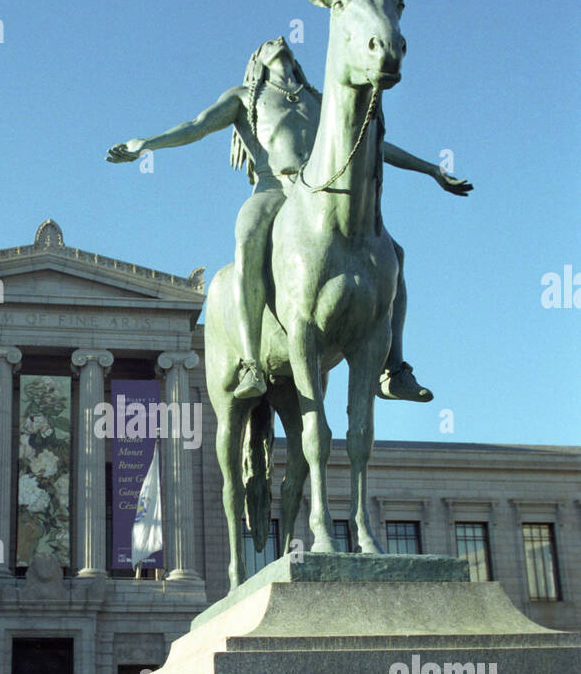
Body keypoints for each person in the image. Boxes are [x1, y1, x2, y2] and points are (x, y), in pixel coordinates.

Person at [107, 35, 472, 403]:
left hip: (317, 191)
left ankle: (393, 370)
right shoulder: (244, 97)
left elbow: (370, 142)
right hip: (272, 188)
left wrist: (431, 170)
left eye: (284, 40)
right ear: (257, 59)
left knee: (394, 253)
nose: (279, 40)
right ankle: (251, 361)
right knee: (248, 237)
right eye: (267, 43)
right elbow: (197, 125)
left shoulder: (320, 100)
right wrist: (146, 144)